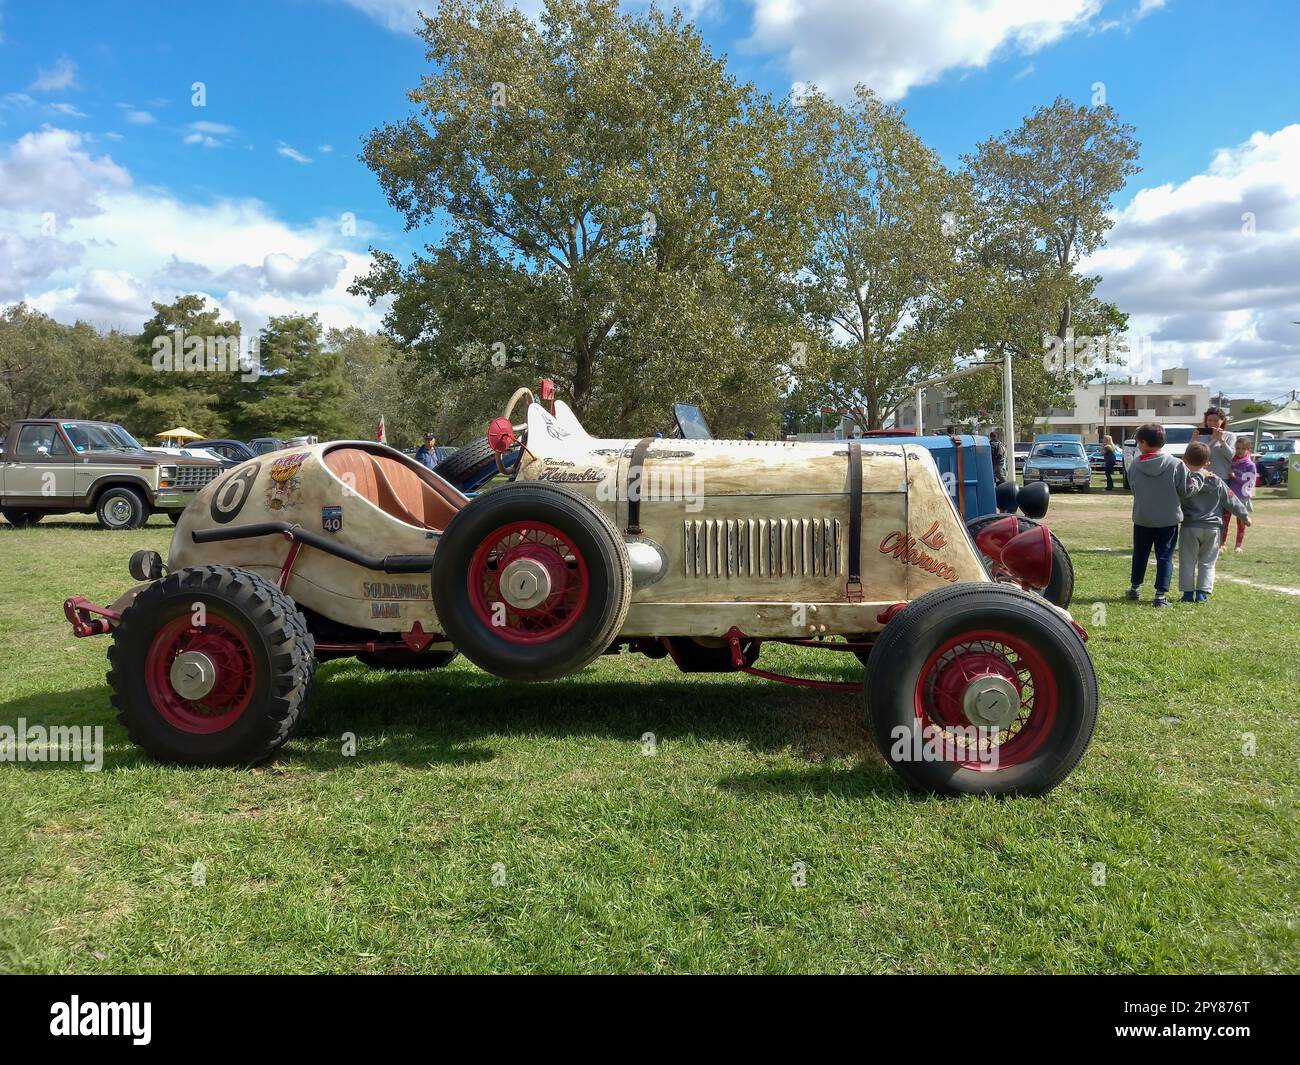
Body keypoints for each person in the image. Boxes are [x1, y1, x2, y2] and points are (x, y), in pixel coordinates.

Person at [1126, 423, 1203, 608]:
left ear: (1143, 442)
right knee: (1164, 556)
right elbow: (1186, 491)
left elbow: (1133, 488)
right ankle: (1160, 595)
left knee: (1140, 554)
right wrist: (1200, 476)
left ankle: (1135, 588)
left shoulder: (1135, 465)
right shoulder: (1176, 464)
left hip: (1143, 517)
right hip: (1168, 519)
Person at [1178, 442, 1250, 603]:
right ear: (1208, 462)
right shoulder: (1216, 481)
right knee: (1207, 562)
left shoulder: (1184, 481)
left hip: (1190, 526)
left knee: (1187, 561)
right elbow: (1231, 499)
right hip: (1213, 527)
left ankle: (1187, 594)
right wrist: (1244, 515)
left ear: (1184, 460)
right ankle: (1202, 594)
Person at [1223, 437, 1258, 553]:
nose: (1240, 451)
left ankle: (1238, 545)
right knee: (1225, 520)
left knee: (1241, 522)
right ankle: (1222, 544)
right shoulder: (1231, 460)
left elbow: (1250, 482)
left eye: (1243, 448)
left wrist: (1234, 477)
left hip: (1242, 496)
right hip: (1230, 495)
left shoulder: (1250, 465)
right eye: (1238, 448)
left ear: (1248, 449)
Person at [1196, 406, 1236, 480]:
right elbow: (1193, 454)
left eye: (1216, 420)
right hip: (1203, 476)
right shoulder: (1201, 436)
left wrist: (1221, 440)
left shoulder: (1230, 435)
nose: (1212, 423)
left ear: (1222, 421)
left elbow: (1231, 457)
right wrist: (1193, 438)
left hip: (1221, 477)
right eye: (1209, 420)